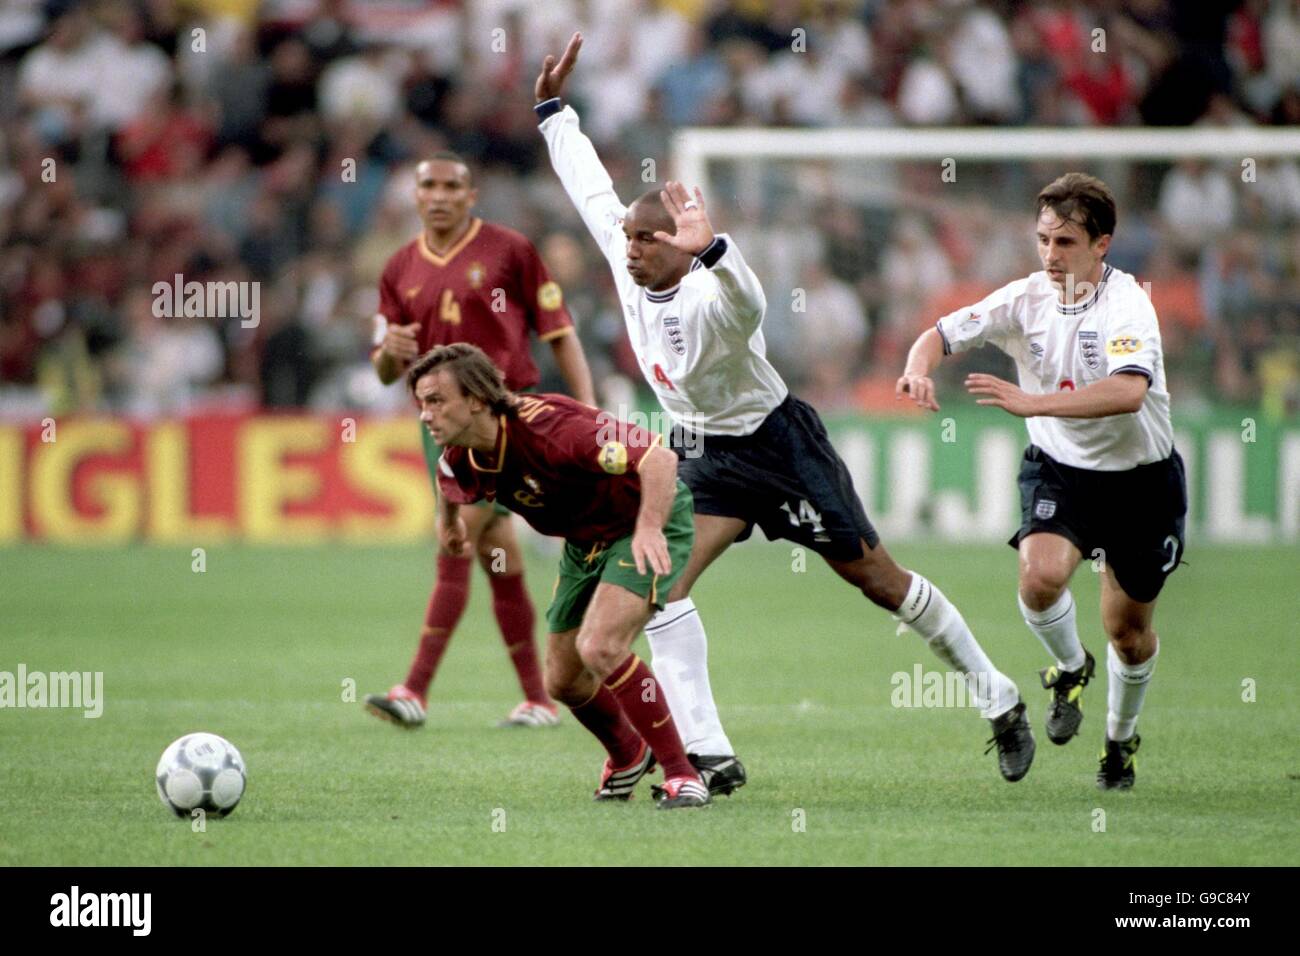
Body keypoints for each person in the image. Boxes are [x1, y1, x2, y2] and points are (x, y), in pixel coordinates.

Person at [534, 32, 1035, 785]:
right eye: (629, 239)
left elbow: (748, 303)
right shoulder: (627, 254)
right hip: (700, 450)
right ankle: (708, 750)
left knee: (879, 581)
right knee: (658, 585)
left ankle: (998, 697)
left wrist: (717, 253)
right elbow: (590, 189)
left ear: (680, 245)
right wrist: (552, 113)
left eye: (647, 240)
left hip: (777, 444)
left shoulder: (711, 297)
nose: (630, 250)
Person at [897, 172, 1185, 790]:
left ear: (1101, 244)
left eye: (1065, 243)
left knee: (1128, 636)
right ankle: (1070, 666)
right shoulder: (1022, 299)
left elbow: (1129, 392)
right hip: (1061, 472)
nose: (1050, 257)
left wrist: (1035, 406)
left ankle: (1119, 740)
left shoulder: (1129, 302)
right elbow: (938, 335)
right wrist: (917, 370)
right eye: (1043, 241)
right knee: (1039, 578)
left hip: (1140, 484)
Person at [414, 343, 710, 808]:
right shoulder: (461, 453)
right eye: (421, 403)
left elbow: (660, 459)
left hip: (641, 522)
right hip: (583, 543)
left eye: (435, 400)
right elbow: (447, 475)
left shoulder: (553, 429)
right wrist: (448, 523)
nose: (425, 414)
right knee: (564, 682)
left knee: (601, 647)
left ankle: (683, 775)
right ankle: (629, 753)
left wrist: (650, 527)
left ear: (474, 398)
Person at [364, 152, 596, 730]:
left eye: (451, 186)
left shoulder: (510, 251)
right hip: (438, 426)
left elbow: (559, 331)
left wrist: (588, 406)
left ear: (471, 196)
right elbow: (384, 370)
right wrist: (387, 355)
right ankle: (539, 699)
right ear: (414, 197)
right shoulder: (397, 269)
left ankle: (414, 690)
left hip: (502, 422)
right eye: (428, 186)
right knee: (497, 555)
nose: (439, 195)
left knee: (454, 537)